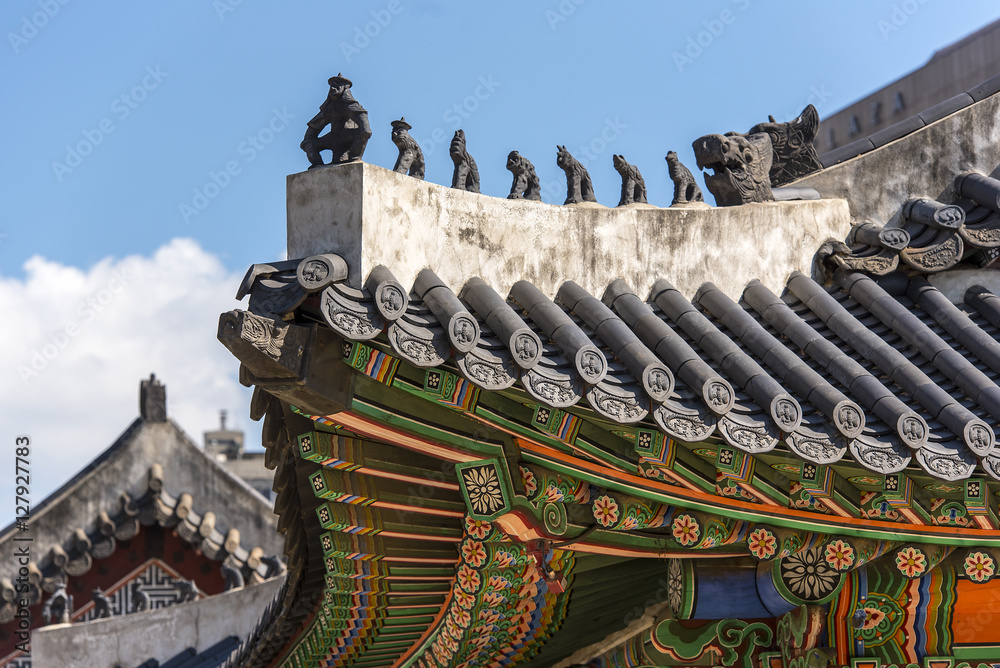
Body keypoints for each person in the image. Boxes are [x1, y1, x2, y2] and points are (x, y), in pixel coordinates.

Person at [300, 73, 372, 168]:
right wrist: (307, 139)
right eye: (332, 86)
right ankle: (318, 166)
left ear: (344, 88)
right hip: (333, 137)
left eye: (337, 85)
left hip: (347, 136)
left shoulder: (348, 105)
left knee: (362, 135)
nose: (333, 88)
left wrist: (365, 129)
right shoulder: (329, 108)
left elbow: (360, 115)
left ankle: (355, 158)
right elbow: (316, 124)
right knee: (309, 144)